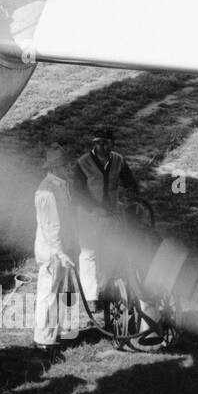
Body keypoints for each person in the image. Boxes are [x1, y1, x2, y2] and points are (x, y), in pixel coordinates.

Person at [70, 131, 144, 308]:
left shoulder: (118, 160)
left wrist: (132, 195)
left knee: (111, 251)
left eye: (106, 143)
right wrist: (93, 209)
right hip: (89, 218)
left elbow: (130, 183)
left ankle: (104, 287)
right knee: (89, 254)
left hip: (112, 216)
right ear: (93, 144)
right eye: (99, 143)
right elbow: (77, 193)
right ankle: (91, 296)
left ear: (113, 145)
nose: (102, 147)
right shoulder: (82, 163)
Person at [32, 145, 82, 347]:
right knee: (48, 294)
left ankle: (56, 333)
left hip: (62, 248)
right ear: (56, 166)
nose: (70, 167)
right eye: (66, 164)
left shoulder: (61, 186)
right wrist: (61, 253)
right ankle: (42, 340)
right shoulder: (47, 191)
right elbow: (51, 227)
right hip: (52, 251)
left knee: (59, 293)